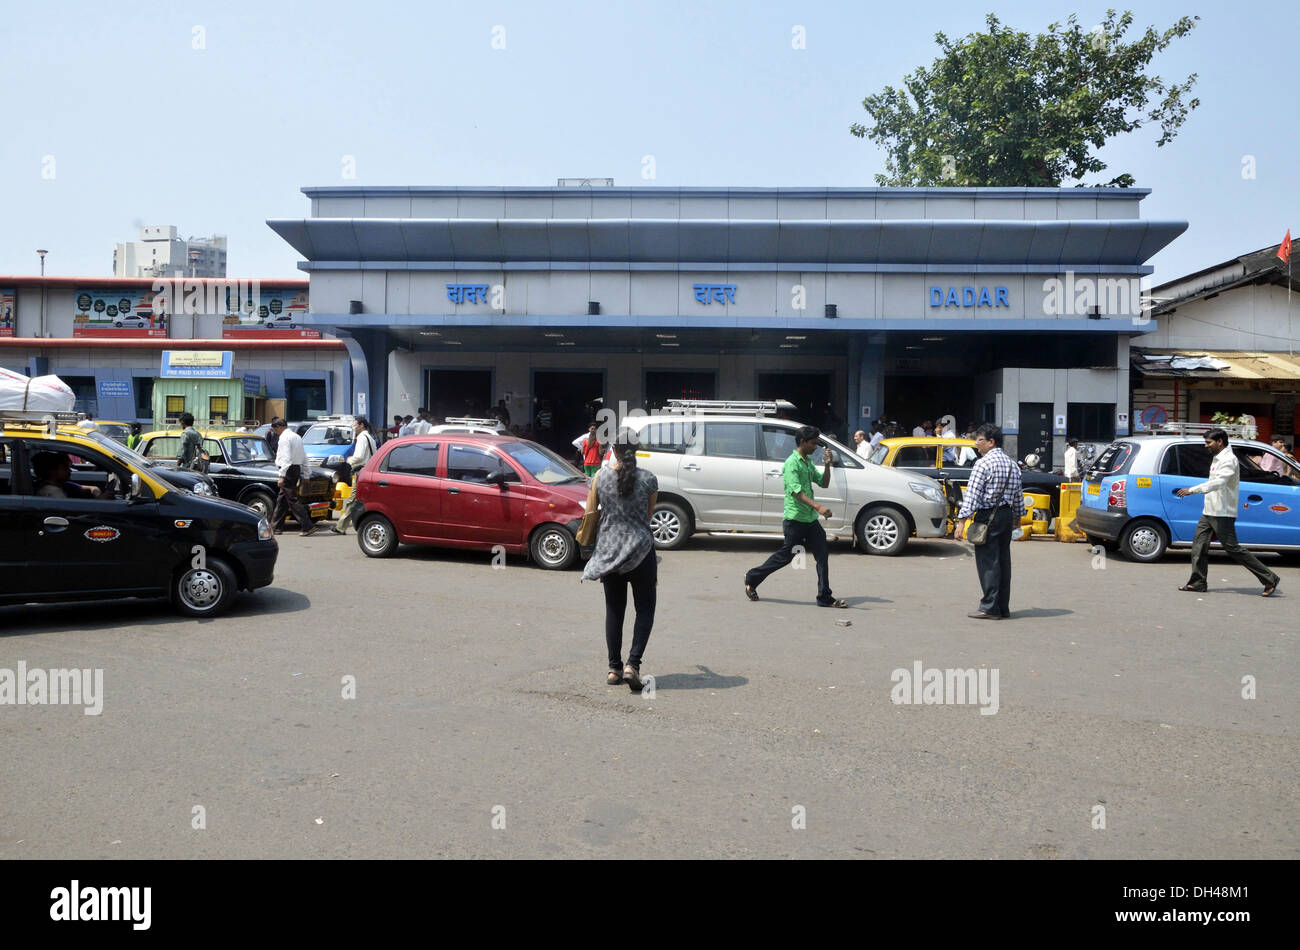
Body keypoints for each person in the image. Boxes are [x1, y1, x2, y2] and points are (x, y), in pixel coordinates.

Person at [581, 427, 660, 691]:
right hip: (641, 553)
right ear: (636, 451)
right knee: (645, 609)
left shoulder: (600, 478)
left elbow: (591, 513)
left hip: (610, 553)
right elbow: (648, 517)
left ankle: (614, 668)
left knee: (615, 610)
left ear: (613, 450)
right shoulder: (649, 479)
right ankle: (632, 665)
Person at [744, 426, 847, 608]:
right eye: (813, 443)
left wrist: (828, 464)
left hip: (810, 520)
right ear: (803, 442)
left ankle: (824, 597)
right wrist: (819, 507)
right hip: (794, 520)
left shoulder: (807, 462)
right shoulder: (792, 463)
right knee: (786, 556)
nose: (816, 447)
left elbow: (823, 482)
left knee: (822, 556)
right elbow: (795, 492)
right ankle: (752, 577)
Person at [1176, 428, 1280, 596]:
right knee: (1199, 547)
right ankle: (1197, 582)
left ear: (1220, 442)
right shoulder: (1218, 458)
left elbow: (1218, 483)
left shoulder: (1229, 460)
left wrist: (1192, 490)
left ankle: (1270, 578)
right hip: (1209, 510)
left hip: (1222, 512)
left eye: (1208, 442)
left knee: (1233, 549)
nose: (1206, 446)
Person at [955, 424, 1025, 619]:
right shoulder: (1012, 464)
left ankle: (989, 607)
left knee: (988, 562)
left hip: (988, 517)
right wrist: (1018, 518)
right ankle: (1003, 606)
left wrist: (961, 522)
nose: (977, 444)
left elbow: (973, 495)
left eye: (980, 440)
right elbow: (1018, 495)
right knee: (1003, 562)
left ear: (991, 442)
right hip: (1006, 515)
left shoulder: (983, 464)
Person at [269, 417, 318, 536]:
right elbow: (304, 456)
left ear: (279, 427)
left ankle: (307, 526)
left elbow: (286, 458)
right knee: (282, 500)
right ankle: (275, 527)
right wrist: (307, 473)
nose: (275, 432)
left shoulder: (284, 438)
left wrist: (282, 475)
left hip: (288, 470)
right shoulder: (296, 437)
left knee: (291, 499)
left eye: (275, 430)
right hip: (295, 469)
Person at [331, 416, 377, 535]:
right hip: (368, 472)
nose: (353, 427)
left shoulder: (362, 437)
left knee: (353, 500)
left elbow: (359, 456)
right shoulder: (370, 437)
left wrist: (349, 460)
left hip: (361, 472)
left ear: (361, 425)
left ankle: (341, 527)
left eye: (355, 424)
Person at [32, 451, 101, 499]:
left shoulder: (62, 485)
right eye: (65, 468)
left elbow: (89, 488)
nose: (70, 471)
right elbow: (69, 517)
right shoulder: (52, 492)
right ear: (53, 471)